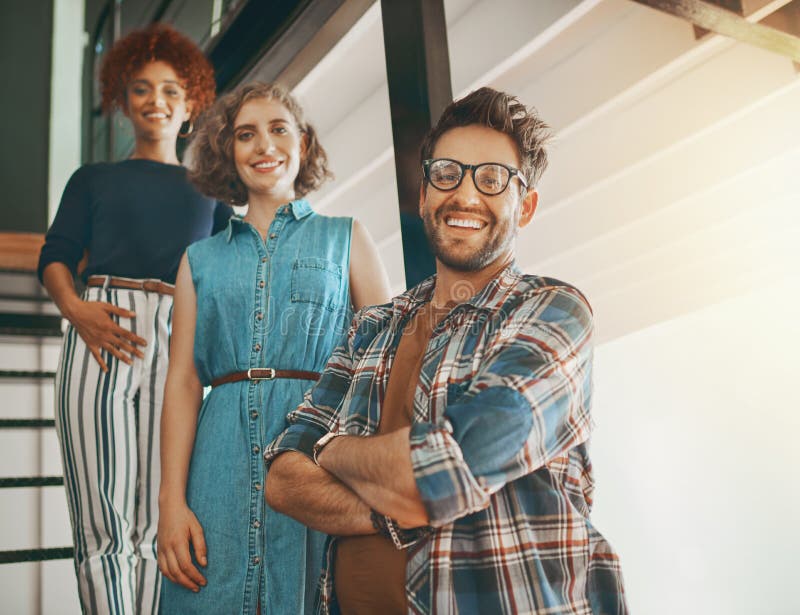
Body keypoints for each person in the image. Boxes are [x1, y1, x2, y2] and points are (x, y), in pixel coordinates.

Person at [264, 87, 628, 614]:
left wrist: (332, 450)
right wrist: (393, 510)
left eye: (492, 178)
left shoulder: (551, 310)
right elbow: (283, 480)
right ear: (423, 196)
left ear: (525, 207)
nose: (465, 195)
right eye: (447, 174)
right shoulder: (372, 327)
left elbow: (443, 471)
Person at [156, 81, 392, 614]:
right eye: (246, 134)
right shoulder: (198, 260)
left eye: (278, 129)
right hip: (216, 465)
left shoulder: (347, 237)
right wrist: (171, 502)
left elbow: (384, 365)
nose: (264, 145)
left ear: (302, 143)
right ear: (228, 152)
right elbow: (184, 382)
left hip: (317, 462)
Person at [37, 23, 227, 614]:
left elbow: (227, 277)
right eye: (141, 89)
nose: (155, 101)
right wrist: (76, 311)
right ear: (122, 100)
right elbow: (54, 257)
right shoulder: (93, 179)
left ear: (191, 103)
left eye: (171, 90)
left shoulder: (210, 192)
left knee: (162, 517)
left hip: (179, 339)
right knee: (102, 520)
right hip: (102, 330)